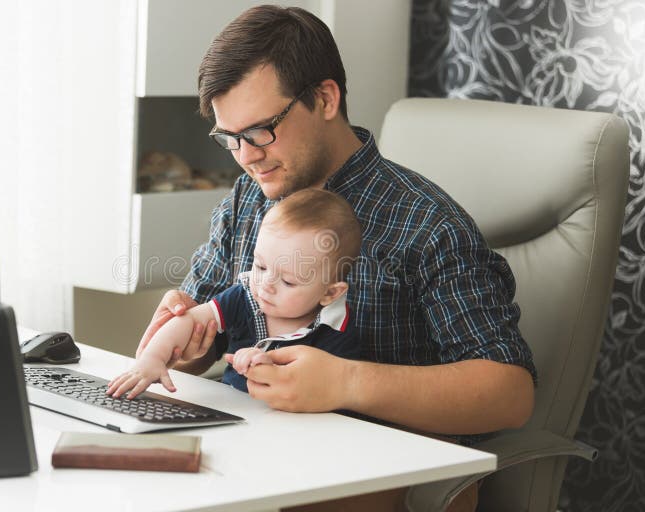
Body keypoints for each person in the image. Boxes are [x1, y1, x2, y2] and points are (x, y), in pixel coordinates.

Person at [133, 5, 536, 511]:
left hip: (362, 478)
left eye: (260, 130)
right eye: (229, 138)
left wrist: (346, 382)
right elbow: (201, 347)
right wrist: (183, 341)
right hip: (249, 453)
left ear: (325, 98)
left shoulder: (427, 224)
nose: (246, 156)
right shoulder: (247, 201)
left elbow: (510, 392)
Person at [107, 189, 361, 399]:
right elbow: (189, 320)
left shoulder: (337, 330)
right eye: (260, 266)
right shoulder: (244, 296)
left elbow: (321, 391)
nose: (266, 284)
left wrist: (266, 365)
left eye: (288, 281)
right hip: (233, 411)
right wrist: (153, 358)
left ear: (330, 293)